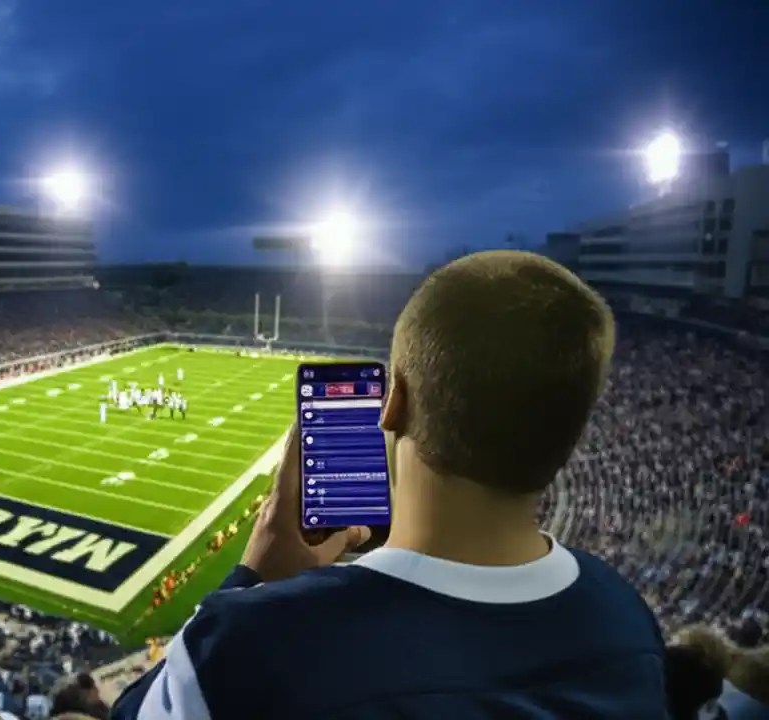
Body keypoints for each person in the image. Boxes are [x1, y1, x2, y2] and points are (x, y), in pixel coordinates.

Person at [110, 251, 667, 718]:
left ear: (393, 402)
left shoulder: (248, 646)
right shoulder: (628, 622)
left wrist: (252, 578)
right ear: (571, 432)